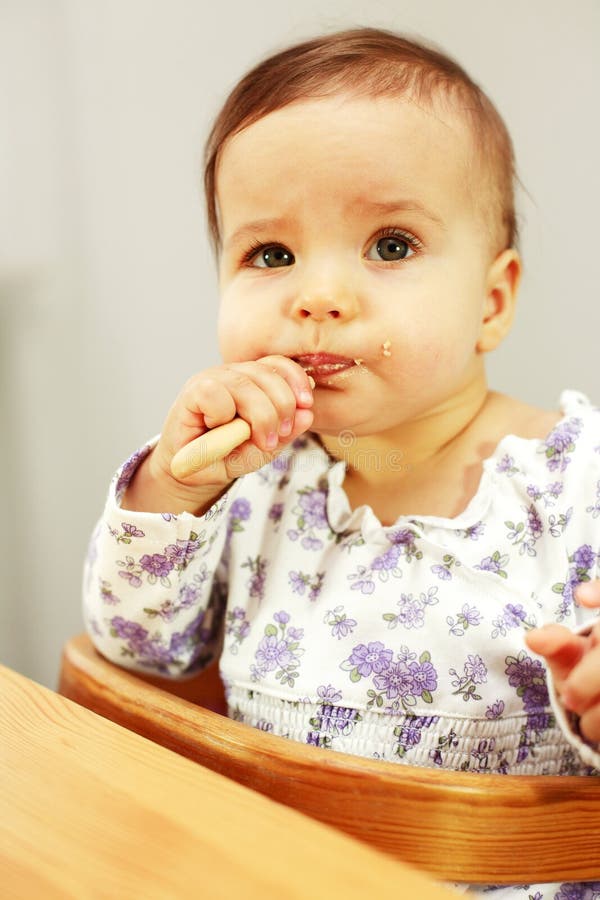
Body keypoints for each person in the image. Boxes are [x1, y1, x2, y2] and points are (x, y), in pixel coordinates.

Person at [83, 28, 600, 898]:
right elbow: (139, 649)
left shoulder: (574, 486)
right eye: (270, 255)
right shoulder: (253, 485)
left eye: (390, 245)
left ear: (493, 301)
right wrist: (176, 486)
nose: (315, 295)